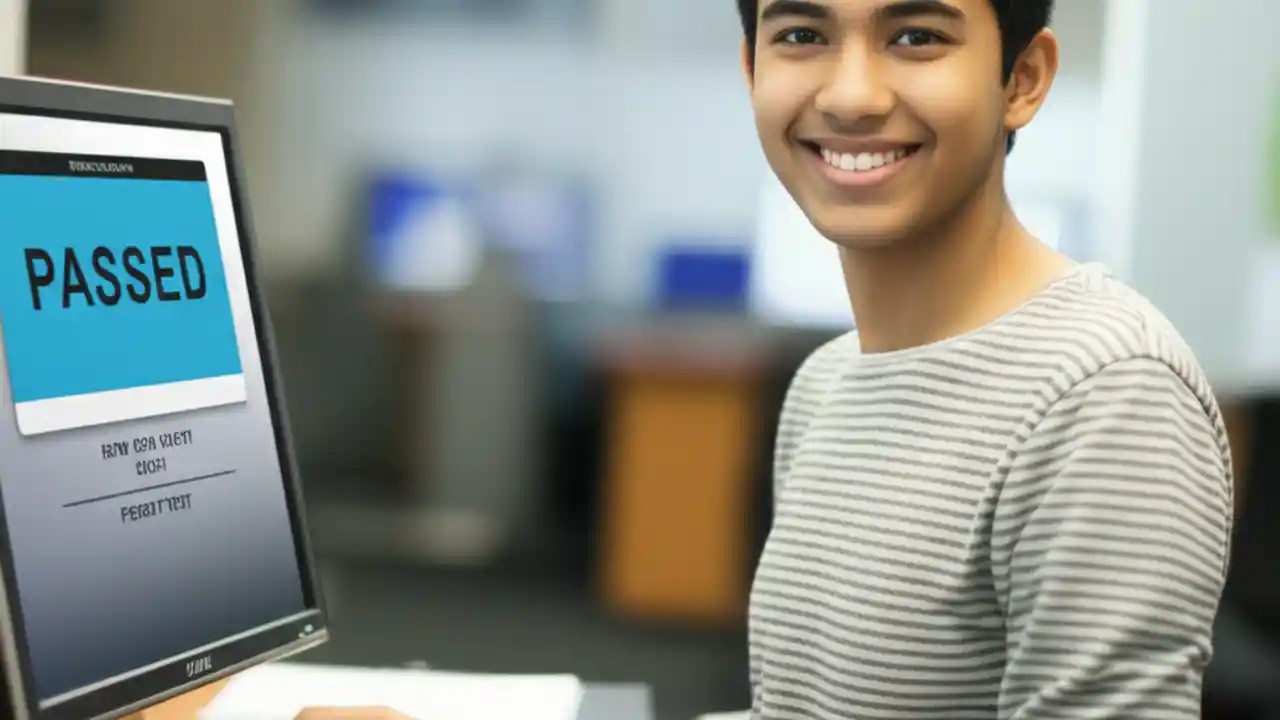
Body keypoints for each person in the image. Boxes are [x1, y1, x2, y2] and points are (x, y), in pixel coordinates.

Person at [740, 0, 1233, 718]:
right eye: (802, 37)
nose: (851, 97)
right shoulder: (829, 380)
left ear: (1023, 80)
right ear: (753, 71)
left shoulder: (1107, 397)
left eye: (916, 37)